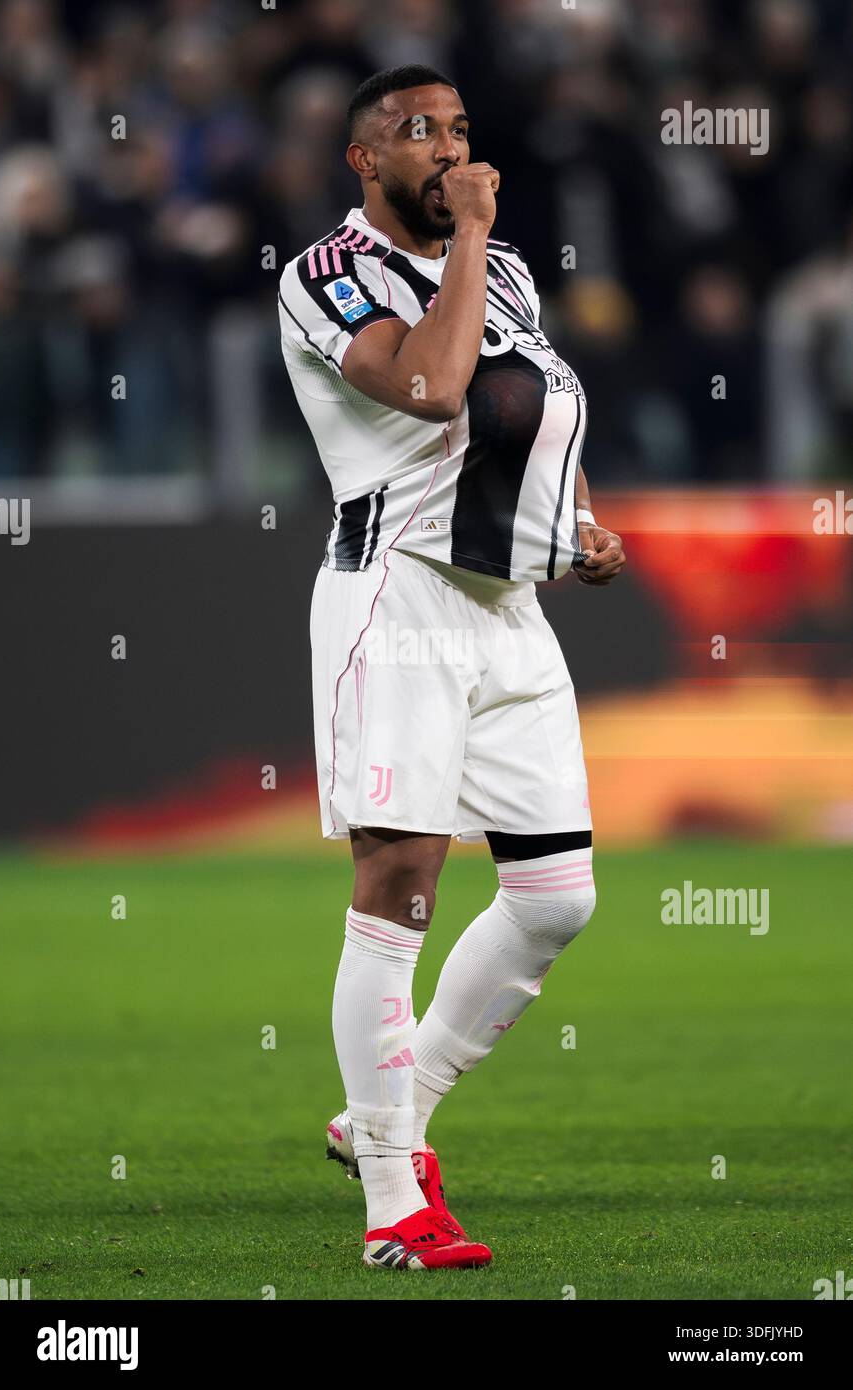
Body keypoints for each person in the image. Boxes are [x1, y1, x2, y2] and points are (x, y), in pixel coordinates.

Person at [278, 64, 626, 1272]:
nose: (445, 148)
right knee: (400, 884)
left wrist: (574, 519)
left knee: (555, 897)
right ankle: (392, 1201)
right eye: (414, 133)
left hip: (508, 606)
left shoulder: (511, 268)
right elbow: (429, 388)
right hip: (400, 594)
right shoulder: (327, 271)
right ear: (364, 161)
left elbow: (532, 403)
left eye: (459, 129)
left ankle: (389, 1108)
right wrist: (471, 230)